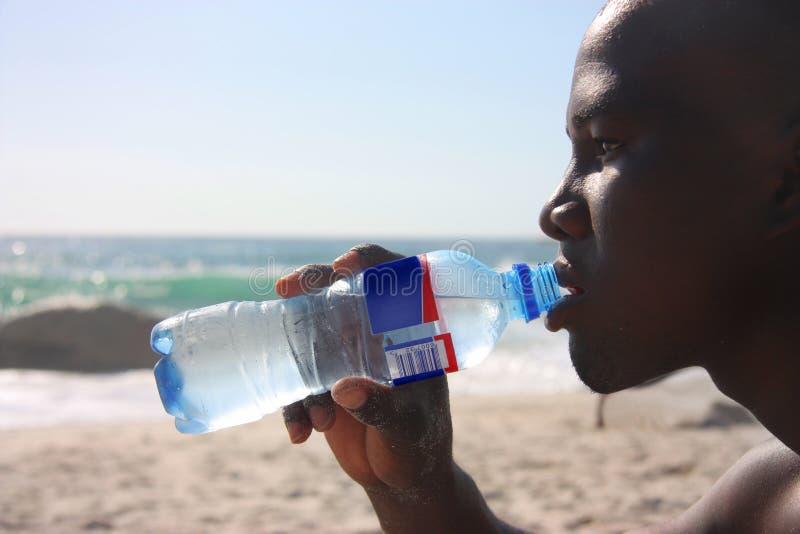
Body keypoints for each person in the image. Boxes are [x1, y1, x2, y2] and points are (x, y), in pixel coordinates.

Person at [275, 0, 800, 531]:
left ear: (786, 183)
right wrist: (415, 485)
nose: (553, 213)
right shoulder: (770, 498)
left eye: (607, 144)